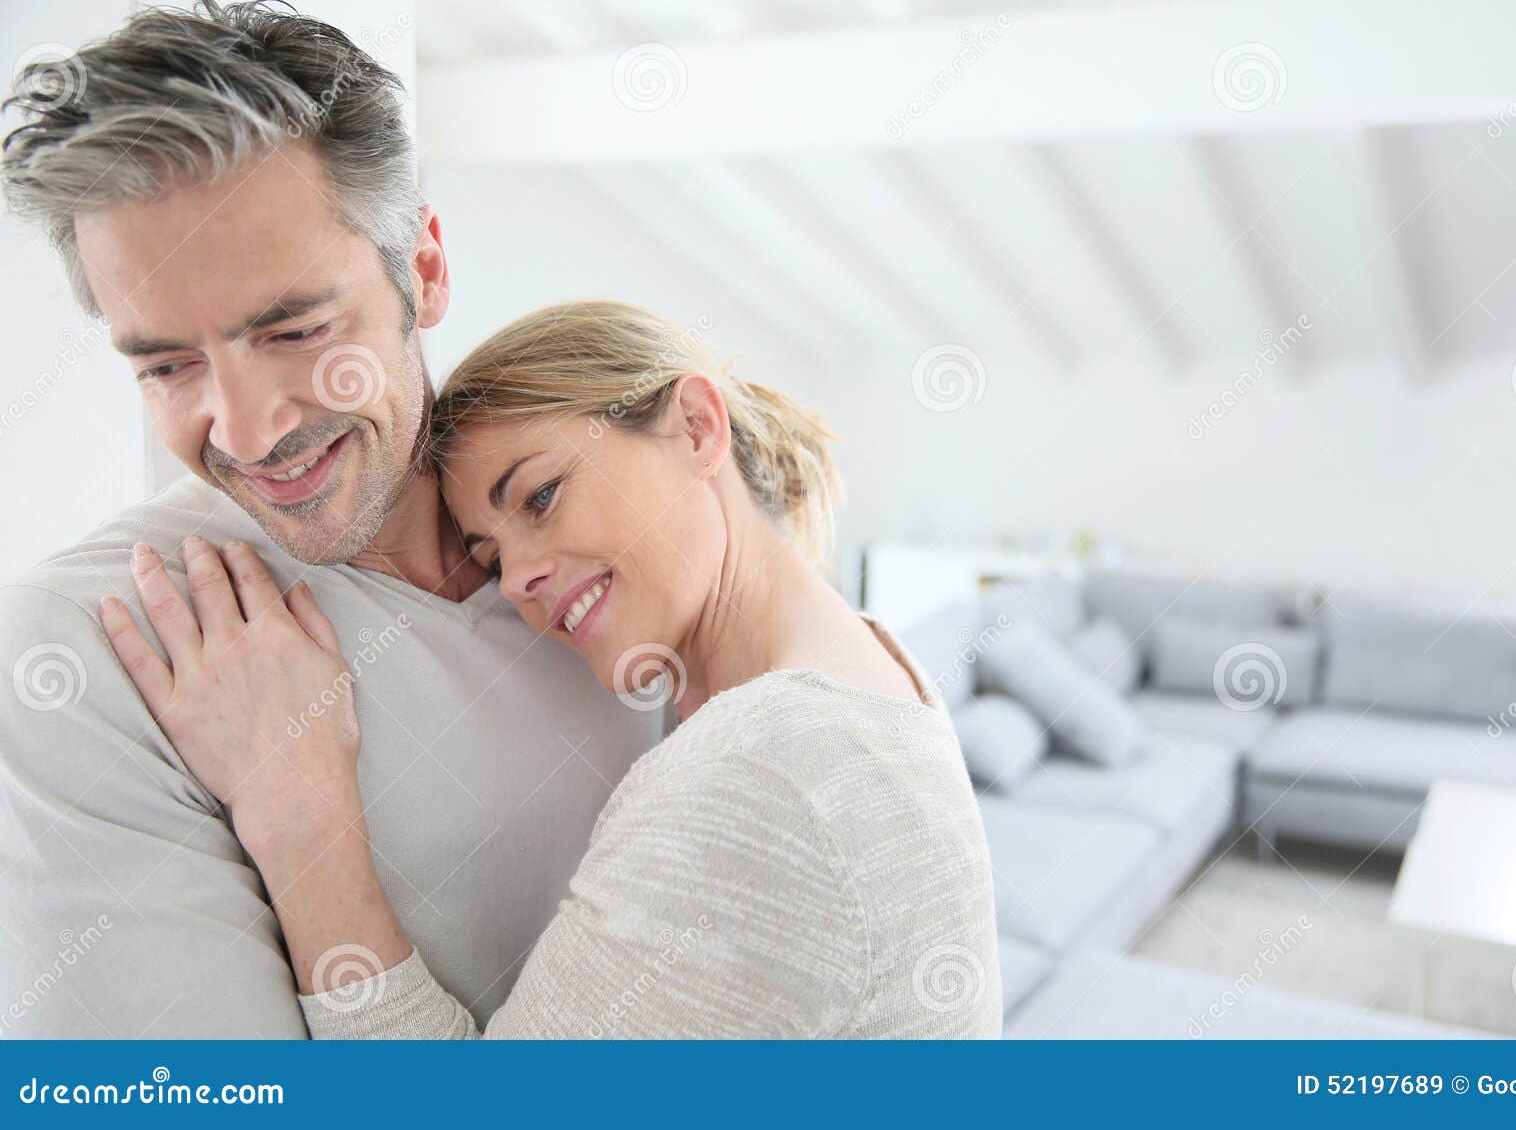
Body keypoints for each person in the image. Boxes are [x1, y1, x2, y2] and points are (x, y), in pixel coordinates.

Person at [0, 0, 659, 1037]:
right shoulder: (90, 646)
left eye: (296, 331)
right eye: (168, 365)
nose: (247, 431)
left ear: (423, 271)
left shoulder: (606, 525)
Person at [100, 300, 1003, 1037]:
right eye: (490, 558)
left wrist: (299, 816)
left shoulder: (758, 768)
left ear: (696, 426)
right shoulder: (875, 663)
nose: (520, 579)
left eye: (540, 495)